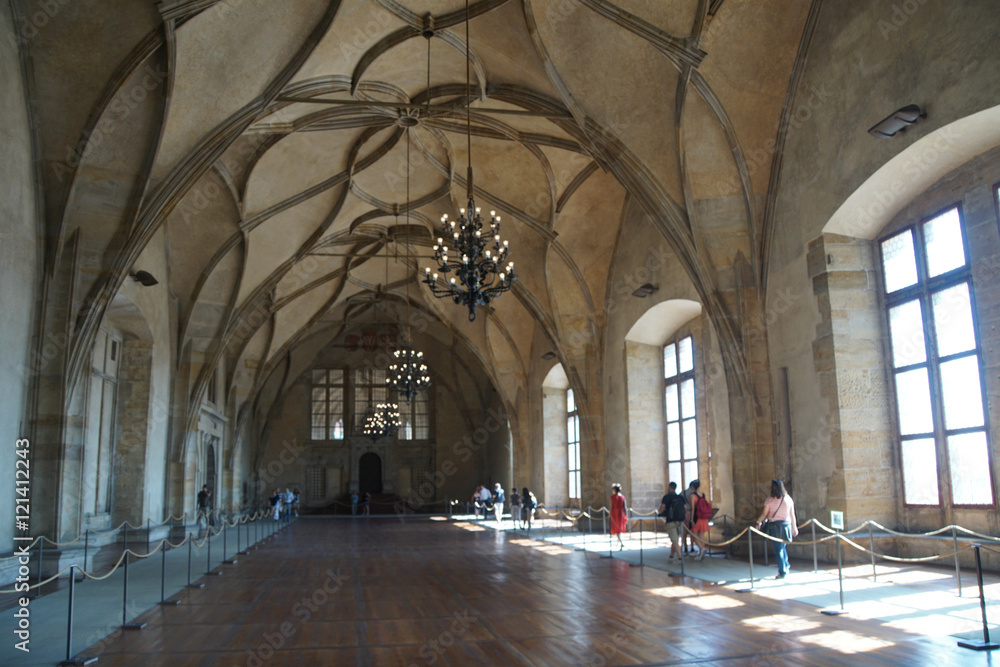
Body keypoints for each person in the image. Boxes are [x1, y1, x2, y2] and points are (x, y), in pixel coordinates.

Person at [756, 479, 798, 579]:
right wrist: (794, 527)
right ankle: (786, 566)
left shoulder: (770, 499)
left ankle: (782, 571)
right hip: (786, 525)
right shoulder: (788, 499)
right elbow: (792, 515)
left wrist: (758, 522)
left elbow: (764, 513)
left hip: (775, 526)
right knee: (782, 547)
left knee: (778, 549)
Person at [658, 481, 686, 560]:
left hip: (670, 521)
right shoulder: (681, 497)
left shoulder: (667, 497)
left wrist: (661, 512)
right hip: (680, 520)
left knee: (675, 540)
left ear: (669, 487)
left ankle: (680, 557)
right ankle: (672, 555)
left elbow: (662, 508)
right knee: (675, 538)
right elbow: (685, 508)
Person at [688, 479, 712, 560]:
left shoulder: (692, 496)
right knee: (701, 536)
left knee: (694, 536)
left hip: (696, 517)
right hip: (703, 517)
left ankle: (702, 549)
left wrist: (691, 520)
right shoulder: (703, 495)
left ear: (692, 487)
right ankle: (701, 553)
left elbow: (692, 509)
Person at [609, 483, 628, 550]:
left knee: (617, 530)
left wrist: (610, 514)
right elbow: (625, 507)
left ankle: (621, 543)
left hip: (615, 514)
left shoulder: (612, 497)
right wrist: (626, 515)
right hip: (621, 514)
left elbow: (611, 506)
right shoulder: (623, 497)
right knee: (618, 529)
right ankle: (619, 542)